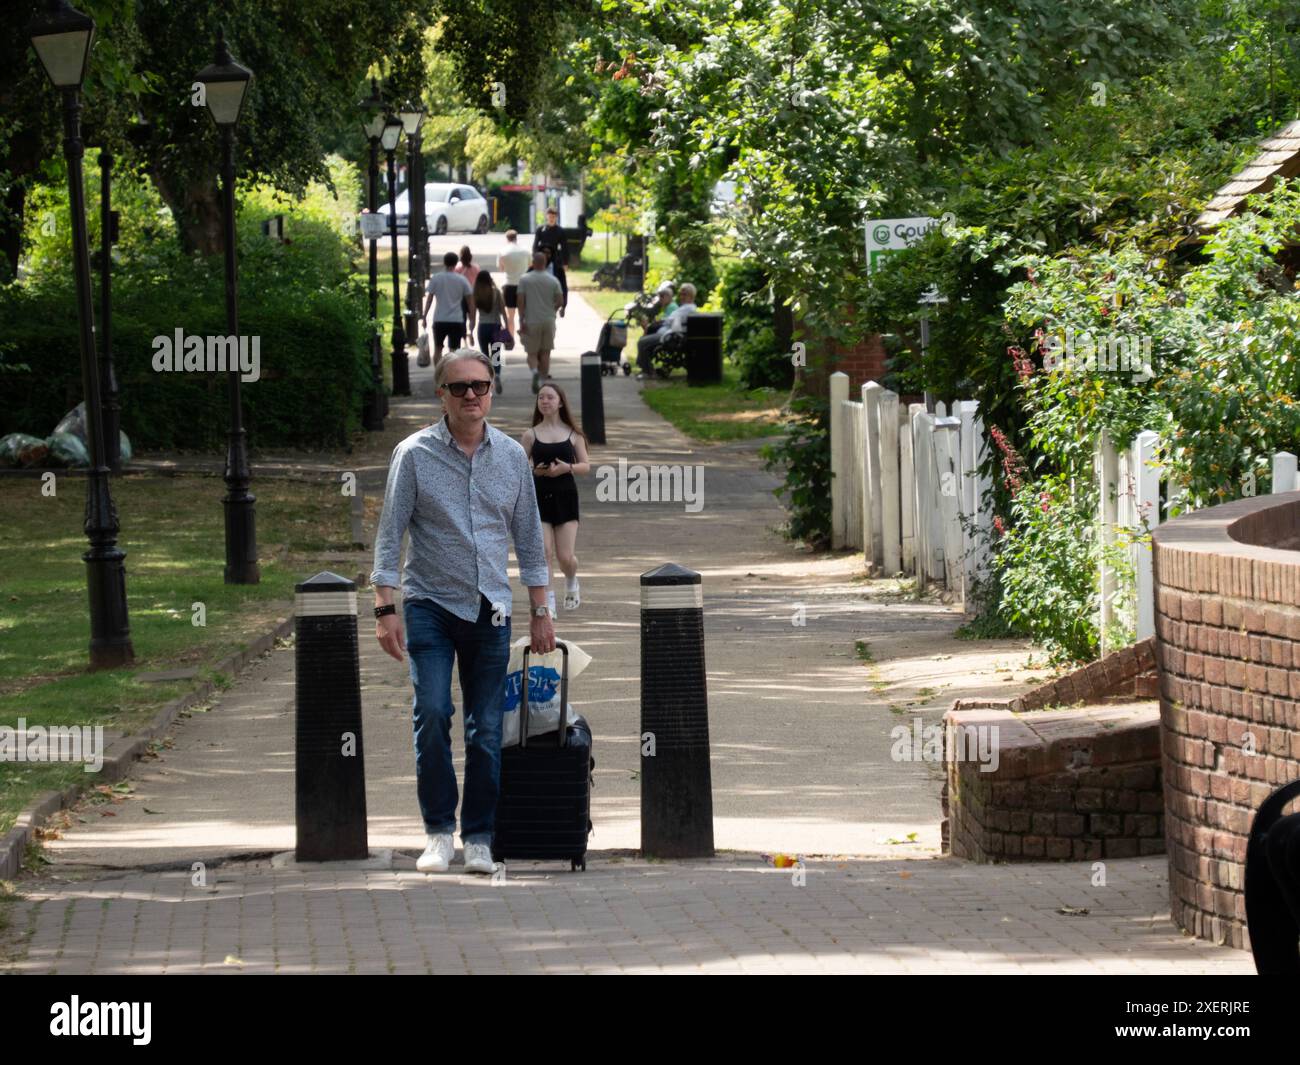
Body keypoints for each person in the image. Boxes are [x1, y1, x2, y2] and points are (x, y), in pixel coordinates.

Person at [371, 348, 555, 875]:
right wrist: (385, 609)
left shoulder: (512, 457)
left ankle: (478, 835)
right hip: (428, 602)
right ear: (441, 395)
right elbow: (389, 535)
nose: (471, 395)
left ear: (492, 391)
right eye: (459, 388)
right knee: (431, 713)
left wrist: (541, 609)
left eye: (481, 386)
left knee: (486, 729)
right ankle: (437, 833)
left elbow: (528, 538)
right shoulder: (414, 453)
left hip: (491, 609)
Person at [521, 383, 589, 615]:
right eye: (541, 398)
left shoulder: (573, 434)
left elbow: (585, 466)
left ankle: (571, 580)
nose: (545, 401)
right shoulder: (530, 435)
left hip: (565, 496)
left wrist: (566, 468)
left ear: (560, 402)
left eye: (550, 397)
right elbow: (522, 466)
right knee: (544, 552)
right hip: (539, 497)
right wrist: (535, 471)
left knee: (565, 556)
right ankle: (548, 602)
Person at [516, 249, 563, 394]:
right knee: (545, 353)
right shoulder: (553, 280)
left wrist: (521, 319)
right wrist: (552, 310)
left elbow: (520, 301)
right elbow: (560, 300)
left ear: (533, 263)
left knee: (531, 353)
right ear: (545, 263)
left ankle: (534, 371)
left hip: (531, 321)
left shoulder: (525, 279)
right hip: (548, 320)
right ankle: (543, 381)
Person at [422, 251, 475, 363]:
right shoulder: (461, 280)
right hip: (456, 319)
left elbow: (429, 299)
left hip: (439, 318)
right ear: (456, 263)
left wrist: (424, 316)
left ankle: (439, 375)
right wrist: (472, 319)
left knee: (438, 349)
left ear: (444, 263)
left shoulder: (436, 278)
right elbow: (470, 302)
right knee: (454, 350)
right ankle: (452, 375)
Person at [636, 282, 697, 378]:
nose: (681, 296)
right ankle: (646, 369)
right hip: (668, 334)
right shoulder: (686, 307)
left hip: (670, 336)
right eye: (681, 294)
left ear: (691, 296)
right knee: (644, 340)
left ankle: (648, 372)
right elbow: (670, 319)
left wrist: (661, 321)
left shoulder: (688, 308)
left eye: (684, 294)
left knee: (642, 342)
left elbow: (670, 320)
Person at [473, 269, 507, 394]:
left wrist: (470, 329)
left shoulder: (476, 293)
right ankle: (497, 374)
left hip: (482, 326)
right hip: (496, 326)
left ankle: (488, 378)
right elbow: (503, 311)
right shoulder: (496, 292)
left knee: (484, 354)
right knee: (496, 354)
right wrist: (507, 327)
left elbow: (472, 312)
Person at [532, 207, 569, 317]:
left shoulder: (560, 231)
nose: (552, 219)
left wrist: (565, 262)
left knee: (560, 284)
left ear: (556, 217)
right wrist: (535, 258)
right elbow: (535, 246)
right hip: (542, 260)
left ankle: (562, 305)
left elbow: (564, 248)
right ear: (546, 217)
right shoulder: (540, 230)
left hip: (555, 260)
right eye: (550, 217)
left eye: (554, 217)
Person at [499, 229, 531, 337]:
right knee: (524, 314)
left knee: (510, 316)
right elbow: (530, 265)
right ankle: (525, 336)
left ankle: (510, 338)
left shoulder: (503, 252)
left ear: (507, 239)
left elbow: (501, 268)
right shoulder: (525, 251)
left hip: (509, 285)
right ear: (516, 238)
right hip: (523, 286)